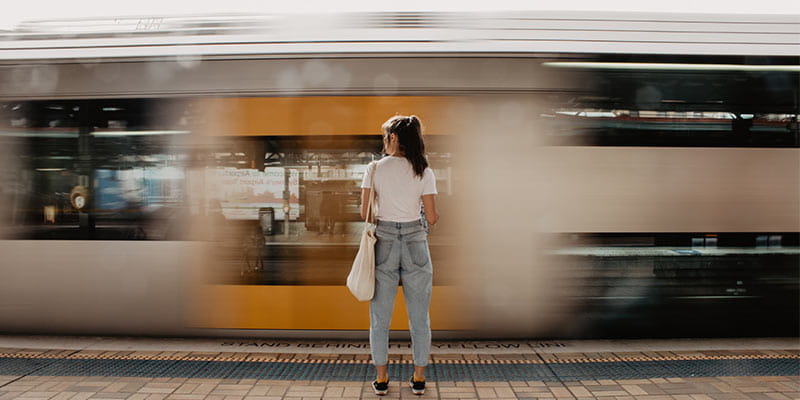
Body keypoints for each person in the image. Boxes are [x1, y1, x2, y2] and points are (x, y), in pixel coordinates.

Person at [360, 115, 439, 396]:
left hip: (385, 242)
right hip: (416, 240)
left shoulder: (374, 169)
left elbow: (365, 213)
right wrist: (416, 218)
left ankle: (382, 379)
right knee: (419, 316)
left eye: (385, 136)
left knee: (380, 317)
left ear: (393, 137)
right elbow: (432, 217)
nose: (384, 141)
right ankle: (418, 378)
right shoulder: (424, 171)